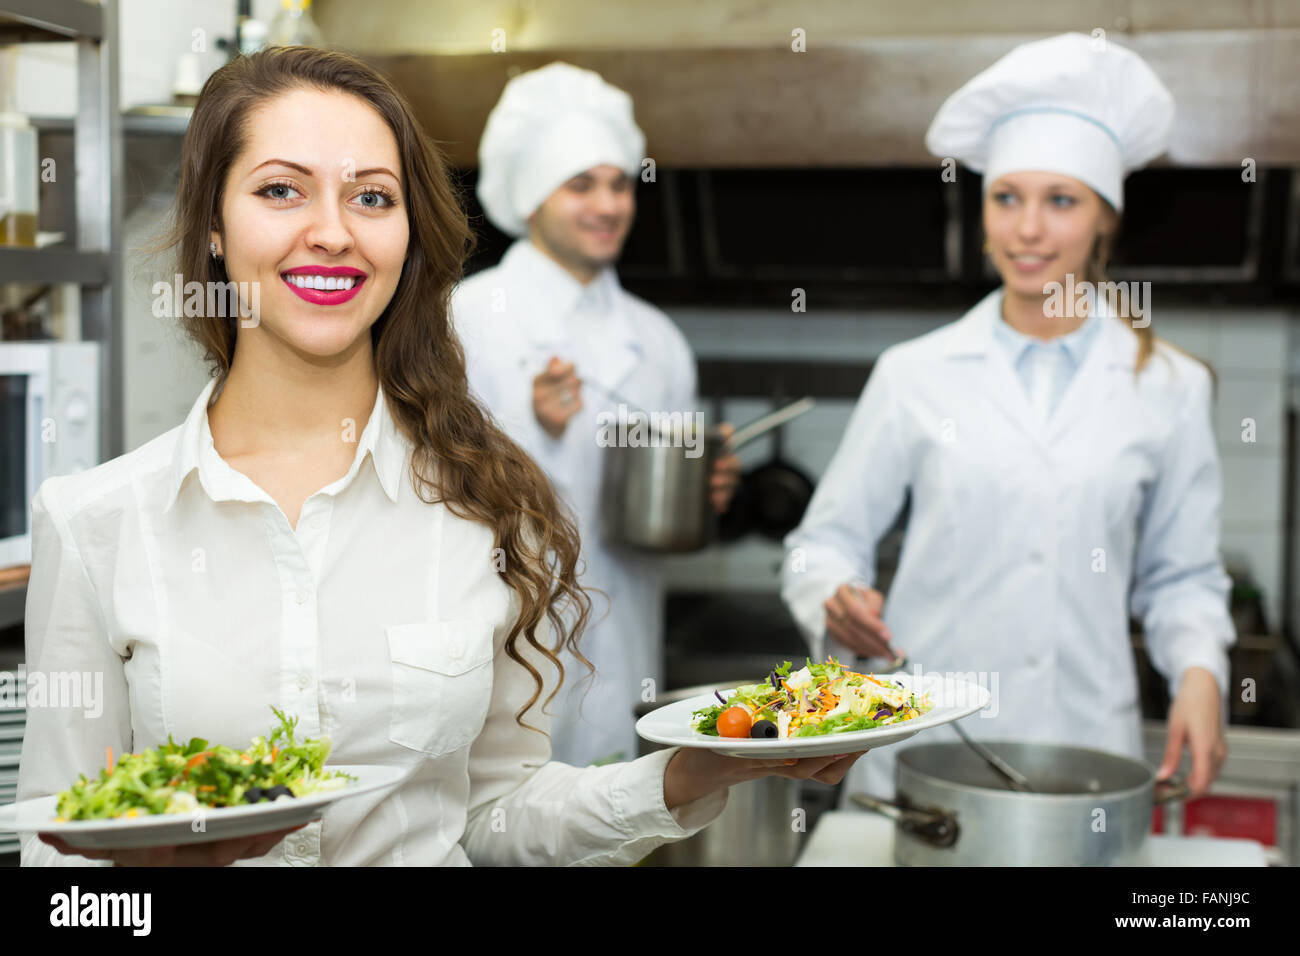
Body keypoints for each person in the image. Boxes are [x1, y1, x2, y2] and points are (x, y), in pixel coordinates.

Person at [17, 47, 859, 867]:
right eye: (281, 190)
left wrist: (684, 774)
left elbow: (495, 816)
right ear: (212, 228)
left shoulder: (488, 508)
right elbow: (59, 867)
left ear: (408, 238)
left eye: (372, 198)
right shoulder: (95, 525)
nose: (333, 232)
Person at [781, 33, 1232, 802]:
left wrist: (1200, 674)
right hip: (926, 749)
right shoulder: (913, 374)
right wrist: (834, 595)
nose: (1028, 230)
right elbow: (821, 545)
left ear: (1103, 220)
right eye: (1006, 198)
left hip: (1087, 755)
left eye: (1061, 201)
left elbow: (1181, 576)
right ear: (983, 210)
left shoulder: (1169, 386)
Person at [452, 63, 740, 768]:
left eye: (618, 183)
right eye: (580, 184)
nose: (608, 204)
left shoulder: (659, 339)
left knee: (612, 814)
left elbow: (661, 507)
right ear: (532, 196)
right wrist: (530, 424)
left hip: (627, 634)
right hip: (503, 637)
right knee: (505, 813)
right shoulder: (468, 317)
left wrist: (706, 492)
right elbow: (425, 477)